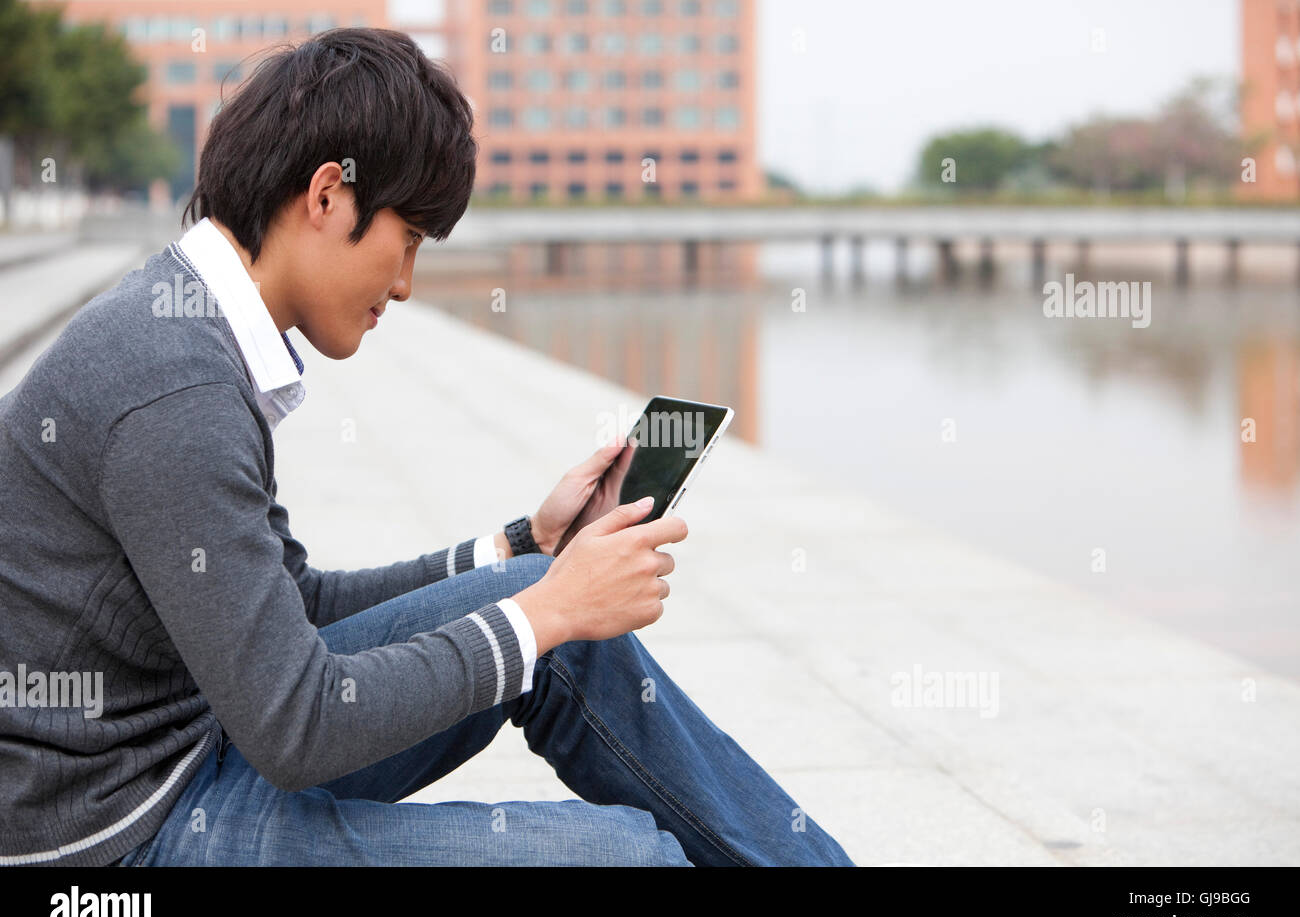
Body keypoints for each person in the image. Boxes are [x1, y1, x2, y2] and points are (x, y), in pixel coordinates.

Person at [0, 27, 853, 867]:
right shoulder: (176, 386)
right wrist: (546, 611)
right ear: (328, 196)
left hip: (196, 752)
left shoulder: (193, 330)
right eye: (406, 241)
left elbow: (289, 606)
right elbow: (300, 726)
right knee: (622, 856)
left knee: (562, 622)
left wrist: (525, 550)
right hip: (119, 840)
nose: (405, 284)